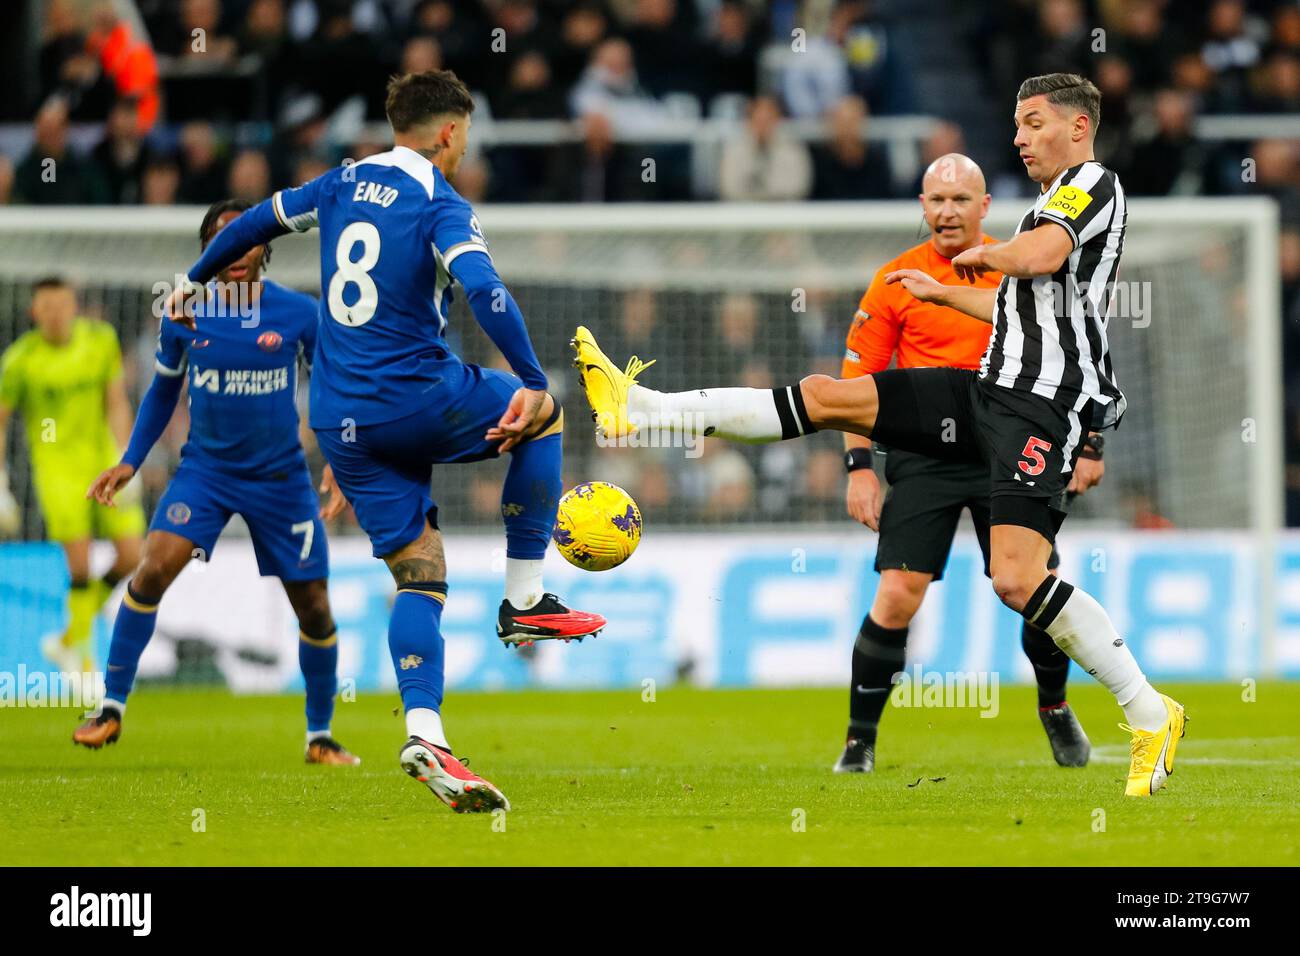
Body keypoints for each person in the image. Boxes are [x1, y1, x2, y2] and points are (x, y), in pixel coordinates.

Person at [573, 73, 1186, 798]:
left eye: (1032, 123)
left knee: (1017, 578)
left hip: (1036, 410)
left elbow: (1039, 259)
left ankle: (1147, 710)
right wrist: (945, 292)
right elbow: (1018, 311)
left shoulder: (1090, 186)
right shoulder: (1049, 203)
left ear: (1078, 127)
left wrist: (981, 258)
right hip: (985, 390)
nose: (1019, 137)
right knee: (830, 398)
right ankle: (645, 407)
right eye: (1017, 124)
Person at [162, 70, 606, 814]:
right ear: (447, 133)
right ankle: (525, 598)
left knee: (420, 575)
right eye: (466, 134)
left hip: (338, 418)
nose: (465, 148)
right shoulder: (440, 200)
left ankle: (425, 734)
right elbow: (487, 292)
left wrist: (192, 280)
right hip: (411, 396)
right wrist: (530, 376)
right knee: (548, 413)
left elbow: (248, 228)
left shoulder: (338, 182)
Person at [833, 152, 1096, 774]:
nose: (947, 211)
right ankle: (859, 742)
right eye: (936, 200)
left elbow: (1070, 359)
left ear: (985, 207)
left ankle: (1054, 707)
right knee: (897, 593)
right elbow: (856, 376)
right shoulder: (895, 278)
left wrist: (1089, 444)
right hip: (924, 453)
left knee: (1032, 588)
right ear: (923, 209)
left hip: (1011, 448)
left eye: (961, 200)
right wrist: (859, 467)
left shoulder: (1020, 268)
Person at [75, 200, 357, 766]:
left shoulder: (300, 313)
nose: (235, 251)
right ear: (208, 253)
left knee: (316, 609)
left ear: (264, 248)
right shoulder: (185, 314)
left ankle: (319, 736)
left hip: (281, 481)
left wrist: (345, 458)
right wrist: (132, 457)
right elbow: (161, 391)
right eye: (220, 242)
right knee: (151, 567)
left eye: (244, 239)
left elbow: (331, 390)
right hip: (205, 473)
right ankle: (110, 707)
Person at [0, 277, 144, 678]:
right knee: (80, 564)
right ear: (35, 312)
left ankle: (67, 638)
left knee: (134, 554)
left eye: (64, 305)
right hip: (56, 468)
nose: (57, 313)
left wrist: (125, 455)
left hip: (102, 461)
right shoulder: (20, 360)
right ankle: (83, 662)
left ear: (74, 306)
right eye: (48, 306)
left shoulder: (100, 341)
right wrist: (0, 483)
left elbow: (116, 401)